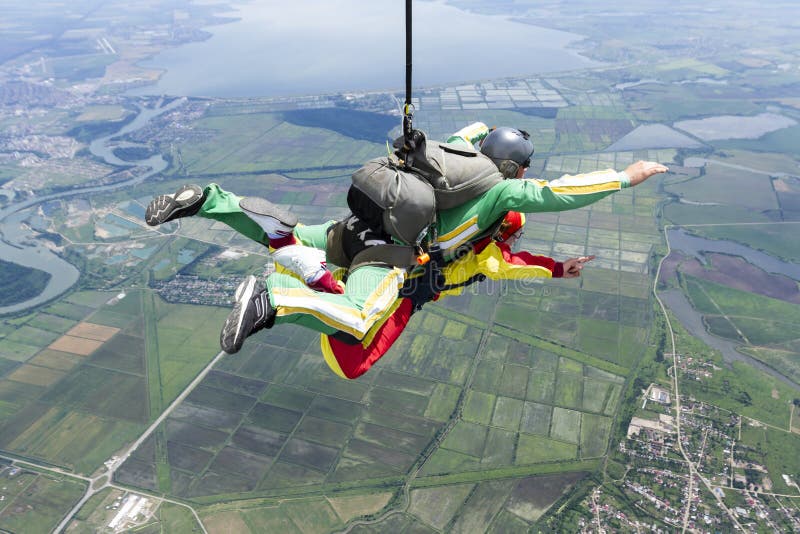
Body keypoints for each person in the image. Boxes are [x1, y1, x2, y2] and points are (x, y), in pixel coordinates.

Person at [145, 123, 668, 356]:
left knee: (284, 233)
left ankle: (208, 201)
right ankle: (274, 301)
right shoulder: (499, 196)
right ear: (511, 168)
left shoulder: (452, 159)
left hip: (351, 229)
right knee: (360, 318)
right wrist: (626, 176)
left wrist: (557, 267)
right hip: (387, 254)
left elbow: (469, 132)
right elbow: (557, 194)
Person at [319, 210, 595, 379]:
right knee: (352, 366)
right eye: (516, 234)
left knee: (353, 342)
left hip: (396, 276)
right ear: (502, 233)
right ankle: (330, 287)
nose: (515, 241)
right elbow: (511, 264)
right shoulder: (487, 251)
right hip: (406, 293)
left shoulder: (464, 230)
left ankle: (337, 283)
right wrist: (558, 268)